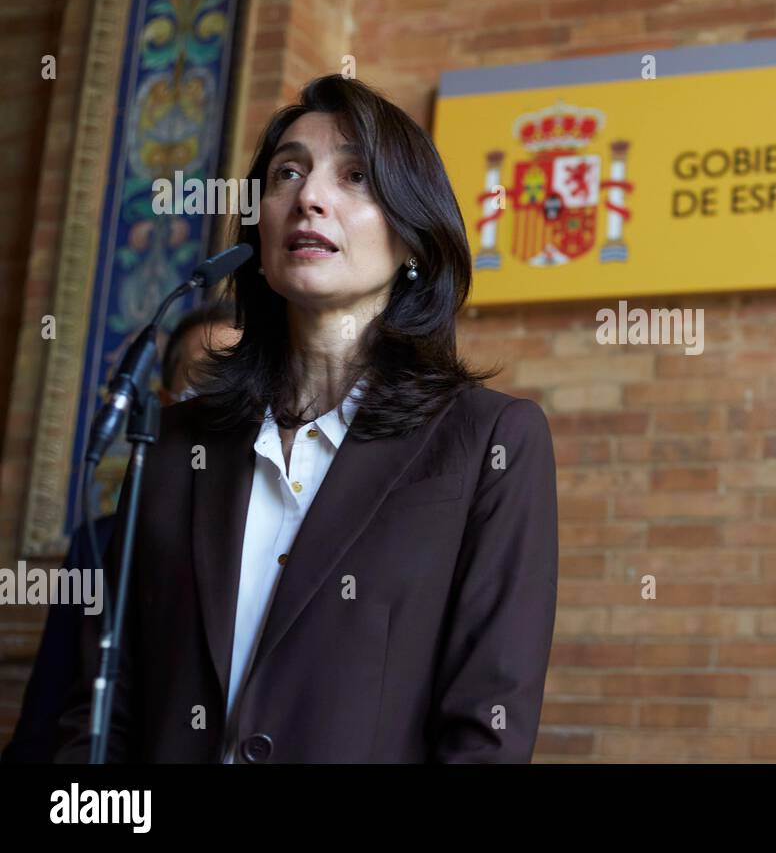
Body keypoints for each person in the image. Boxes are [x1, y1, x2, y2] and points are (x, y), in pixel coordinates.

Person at [53, 75, 558, 763]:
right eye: (288, 172)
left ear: (413, 239)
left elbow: (485, 732)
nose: (310, 197)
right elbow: (101, 711)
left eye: (354, 177)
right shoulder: (173, 445)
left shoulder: (488, 445)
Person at [1, 300, 239, 763]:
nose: (216, 403)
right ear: (165, 403)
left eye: (232, 383)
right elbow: (48, 708)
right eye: (201, 383)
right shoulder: (105, 542)